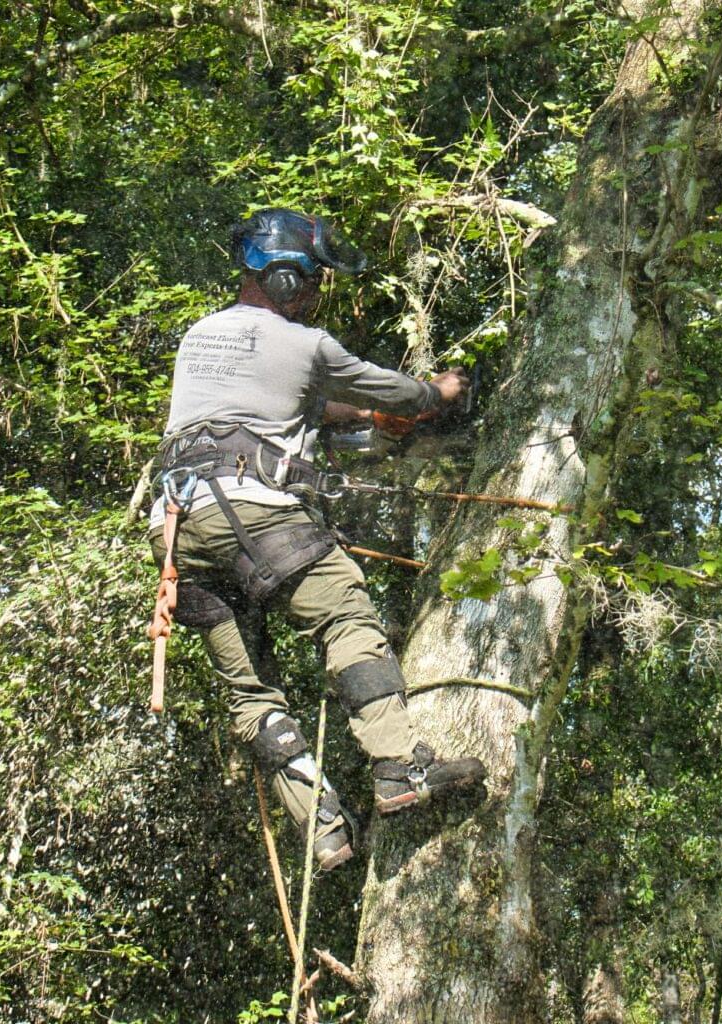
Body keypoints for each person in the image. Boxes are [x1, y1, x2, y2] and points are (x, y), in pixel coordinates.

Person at [151, 208, 486, 870]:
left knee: (250, 690)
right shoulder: (306, 344)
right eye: (310, 282)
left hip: (178, 531)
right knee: (345, 612)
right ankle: (399, 767)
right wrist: (436, 392)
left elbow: (282, 399)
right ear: (283, 278)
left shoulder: (200, 336)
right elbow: (396, 391)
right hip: (254, 514)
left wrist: (363, 418)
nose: (312, 296)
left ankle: (322, 826)